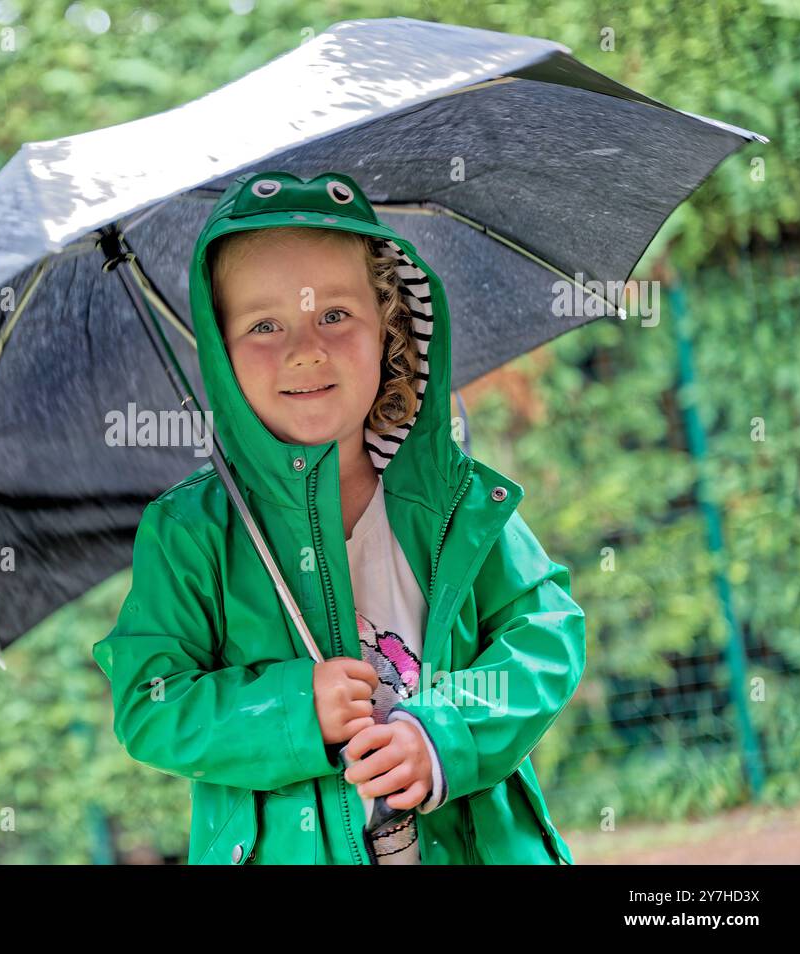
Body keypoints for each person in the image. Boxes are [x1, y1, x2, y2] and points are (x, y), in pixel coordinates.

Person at [91, 170, 586, 864]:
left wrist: (444, 735)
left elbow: (546, 631)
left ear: (388, 328)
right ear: (222, 355)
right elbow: (151, 703)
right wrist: (297, 711)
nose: (305, 348)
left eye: (335, 315)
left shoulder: (453, 497)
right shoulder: (190, 534)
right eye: (265, 325)